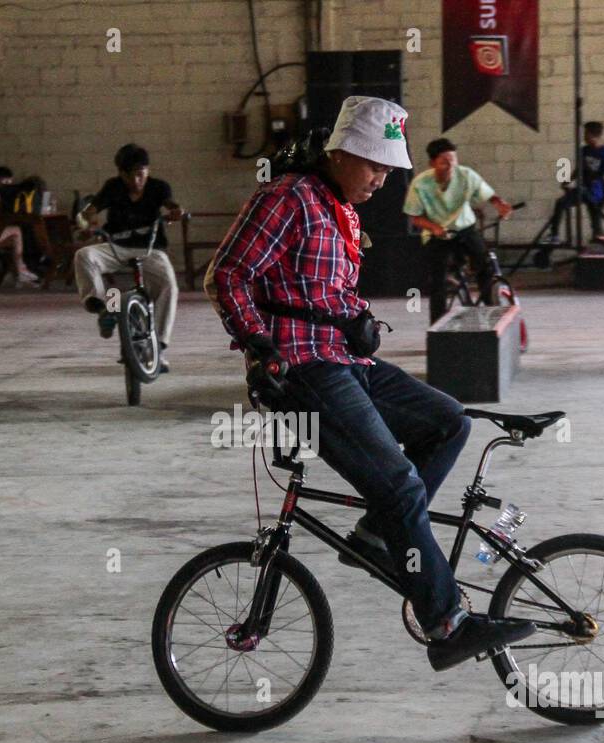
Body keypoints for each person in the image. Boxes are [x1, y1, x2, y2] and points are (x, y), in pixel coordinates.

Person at [209, 96, 535, 672]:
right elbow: (228, 274)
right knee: (400, 485)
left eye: (388, 169)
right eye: (372, 165)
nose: (381, 179)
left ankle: (377, 537)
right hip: (302, 370)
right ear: (338, 152)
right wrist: (259, 345)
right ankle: (446, 622)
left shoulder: (341, 209)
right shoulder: (288, 197)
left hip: (343, 360)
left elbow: (322, 288)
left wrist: (354, 317)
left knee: (448, 421)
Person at [74, 144, 183, 373]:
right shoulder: (113, 187)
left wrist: (176, 211)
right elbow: (92, 210)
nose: (136, 181)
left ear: (147, 170)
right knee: (84, 256)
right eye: (130, 175)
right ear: (121, 174)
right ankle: (101, 306)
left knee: (169, 286)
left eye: (140, 174)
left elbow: (171, 204)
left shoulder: (158, 187)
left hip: (151, 250)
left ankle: (160, 345)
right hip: (116, 248)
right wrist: (85, 222)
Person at [404, 137, 514, 322]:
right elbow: (414, 217)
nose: (451, 166)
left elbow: (488, 194)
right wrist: (434, 227)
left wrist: (500, 204)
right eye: (444, 162)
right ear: (433, 163)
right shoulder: (420, 184)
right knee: (437, 281)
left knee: (484, 268)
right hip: (437, 234)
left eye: (453, 160)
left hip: (465, 228)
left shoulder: (466, 175)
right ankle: (437, 326)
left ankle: (492, 315)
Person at [549, 121, 604, 244]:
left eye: (586, 134)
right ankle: (554, 234)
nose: (584, 137)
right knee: (561, 203)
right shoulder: (584, 150)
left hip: (596, 192)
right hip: (583, 189)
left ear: (593, 135)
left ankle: (598, 241)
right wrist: (567, 180)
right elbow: (579, 169)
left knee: (596, 222)